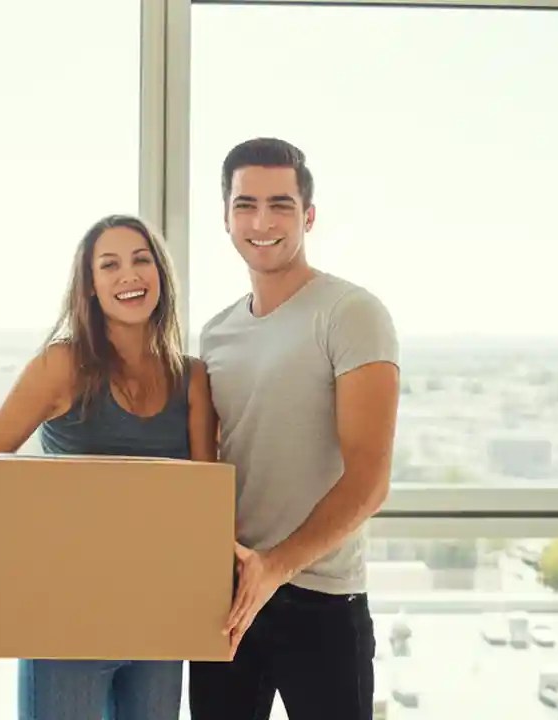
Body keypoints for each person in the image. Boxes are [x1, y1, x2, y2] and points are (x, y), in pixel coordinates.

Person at [0, 214, 218, 720]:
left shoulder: (193, 379)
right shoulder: (62, 366)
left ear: (161, 276)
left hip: (158, 622)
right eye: (110, 265)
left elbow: (208, 508)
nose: (129, 275)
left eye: (142, 260)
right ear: (92, 288)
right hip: (63, 625)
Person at [187, 137, 400, 720]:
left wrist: (273, 568)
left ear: (307, 216)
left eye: (280, 205)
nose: (262, 221)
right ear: (225, 217)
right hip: (228, 600)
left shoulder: (351, 313)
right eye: (245, 204)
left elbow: (370, 479)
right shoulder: (215, 334)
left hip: (323, 601)